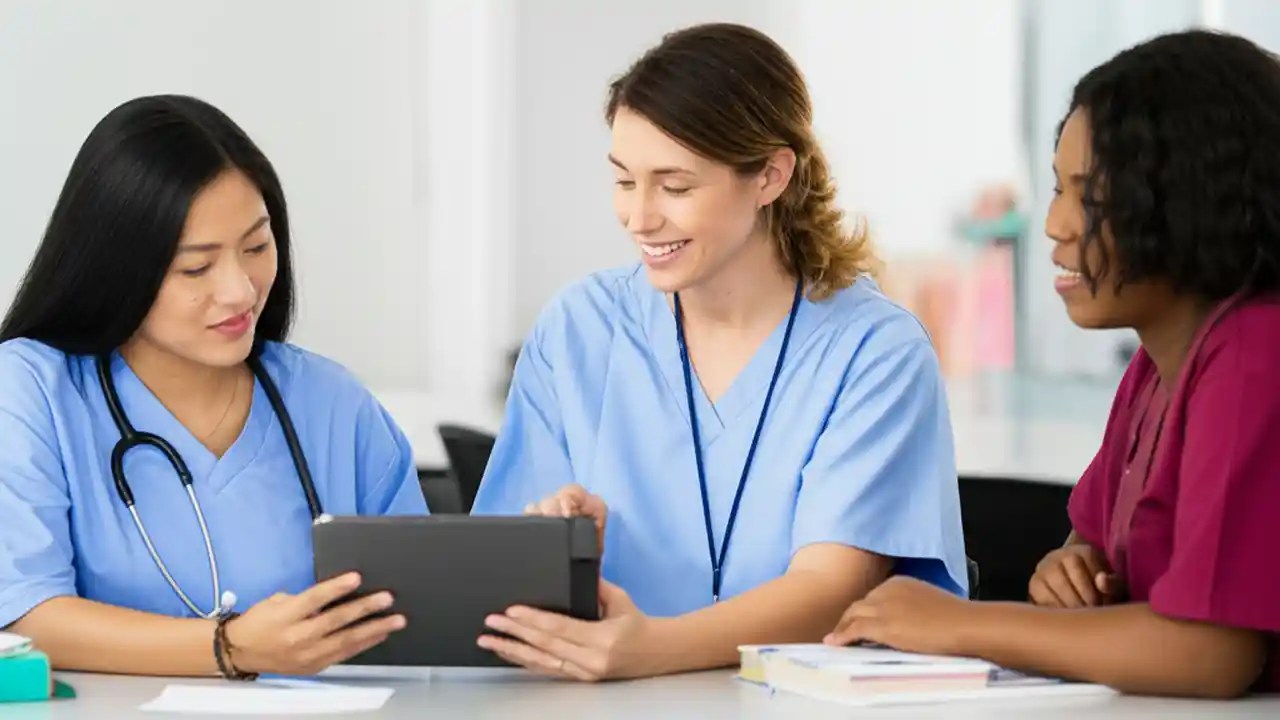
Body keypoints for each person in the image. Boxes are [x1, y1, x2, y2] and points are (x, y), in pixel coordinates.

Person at [470, 22, 967, 681]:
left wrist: (649, 650)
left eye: (674, 187)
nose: (640, 218)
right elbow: (497, 592)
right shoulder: (578, 328)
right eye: (624, 181)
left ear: (770, 175)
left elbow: (833, 588)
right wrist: (556, 548)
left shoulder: (873, 352)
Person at [823, 30, 1280, 698]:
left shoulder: (1252, 357)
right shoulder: (1154, 368)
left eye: (1089, 198)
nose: (1056, 225)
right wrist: (1074, 567)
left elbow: (1209, 653)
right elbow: (1090, 539)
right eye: (1059, 189)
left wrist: (959, 625)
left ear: (1193, 201)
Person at [0, 95, 424, 678]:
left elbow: (423, 615)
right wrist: (232, 647)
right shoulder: (30, 391)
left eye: (256, 247)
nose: (241, 292)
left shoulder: (332, 404)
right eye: (196, 268)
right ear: (117, 267)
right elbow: (23, 617)